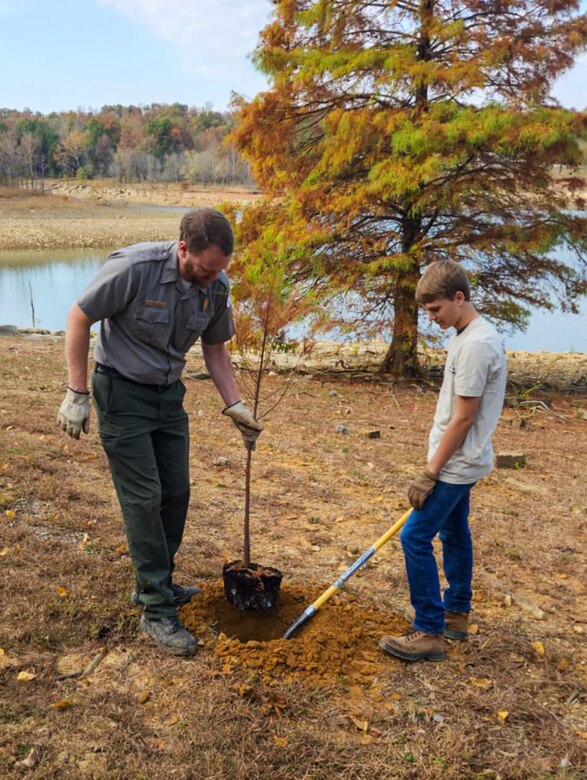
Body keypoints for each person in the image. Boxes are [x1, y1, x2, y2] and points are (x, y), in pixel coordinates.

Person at [57, 207, 262, 657]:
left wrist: (236, 405)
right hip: (121, 394)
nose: (211, 279)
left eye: (219, 271)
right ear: (183, 248)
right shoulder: (135, 268)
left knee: (177, 492)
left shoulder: (217, 287)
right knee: (144, 497)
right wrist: (76, 392)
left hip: (168, 398)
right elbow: (78, 317)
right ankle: (156, 609)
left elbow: (215, 351)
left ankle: (155, 582)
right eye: (205, 269)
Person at [379, 260, 507, 662]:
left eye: (435, 310)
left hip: (454, 465)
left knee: (414, 537)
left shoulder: (474, 345)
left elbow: (464, 417)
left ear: (459, 297)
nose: (431, 319)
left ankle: (429, 630)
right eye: (427, 311)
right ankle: (456, 613)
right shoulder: (470, 334)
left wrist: (429, 472)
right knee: (454, 531)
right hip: (463, 460)